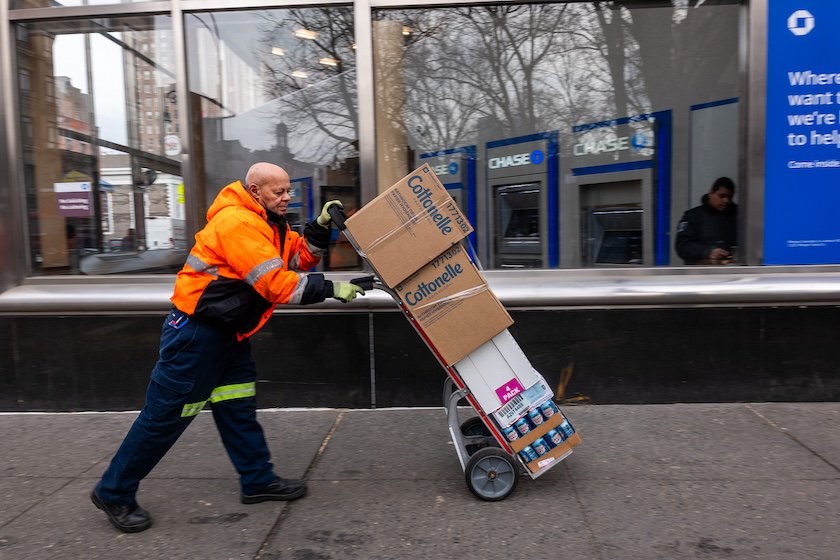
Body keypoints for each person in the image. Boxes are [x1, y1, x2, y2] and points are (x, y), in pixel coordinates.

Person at [91, 162, 366, 533]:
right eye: (278, 192)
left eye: (289, 191)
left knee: (237, 407)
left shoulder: (269, 221)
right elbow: (275, 284)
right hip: (196, 337)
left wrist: (318, 227)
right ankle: (114, 491)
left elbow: (300, 258)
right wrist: (332, 288)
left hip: (227, 334)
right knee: (164, 417)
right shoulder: (237, 222)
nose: (286, 198)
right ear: (255, 191)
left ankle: (256, 480)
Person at [675, 176, 738, 265]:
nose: (726, 200)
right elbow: (683, 246)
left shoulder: (738, 216)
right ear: (710, 193)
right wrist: (708, 252)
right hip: (701, 273)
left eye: (729, 197)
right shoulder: (693, 216)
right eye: (721, 196)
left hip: (732, 270)